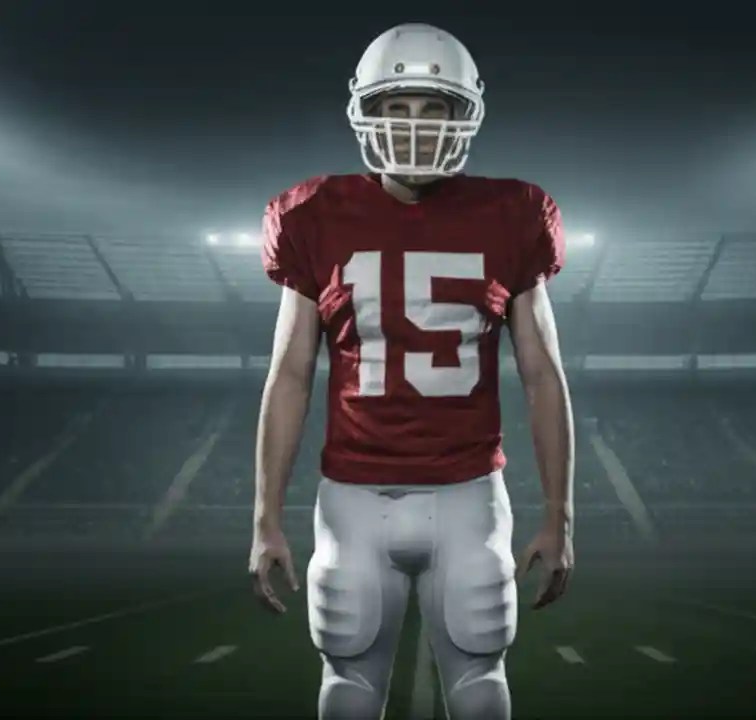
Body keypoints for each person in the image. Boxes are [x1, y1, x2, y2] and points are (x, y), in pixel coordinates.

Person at [249, 22, 575, 720]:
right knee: (348, 684)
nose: (415, 129)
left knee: (480, 681)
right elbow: (290, 376)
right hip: (353, 500)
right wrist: (265, 517)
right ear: (366, 110)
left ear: (466, 116)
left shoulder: (511, 214)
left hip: (469, 494)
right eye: (397, 108)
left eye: (434, 110)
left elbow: (544, 375)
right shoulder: (312, 215)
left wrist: (560, 515)